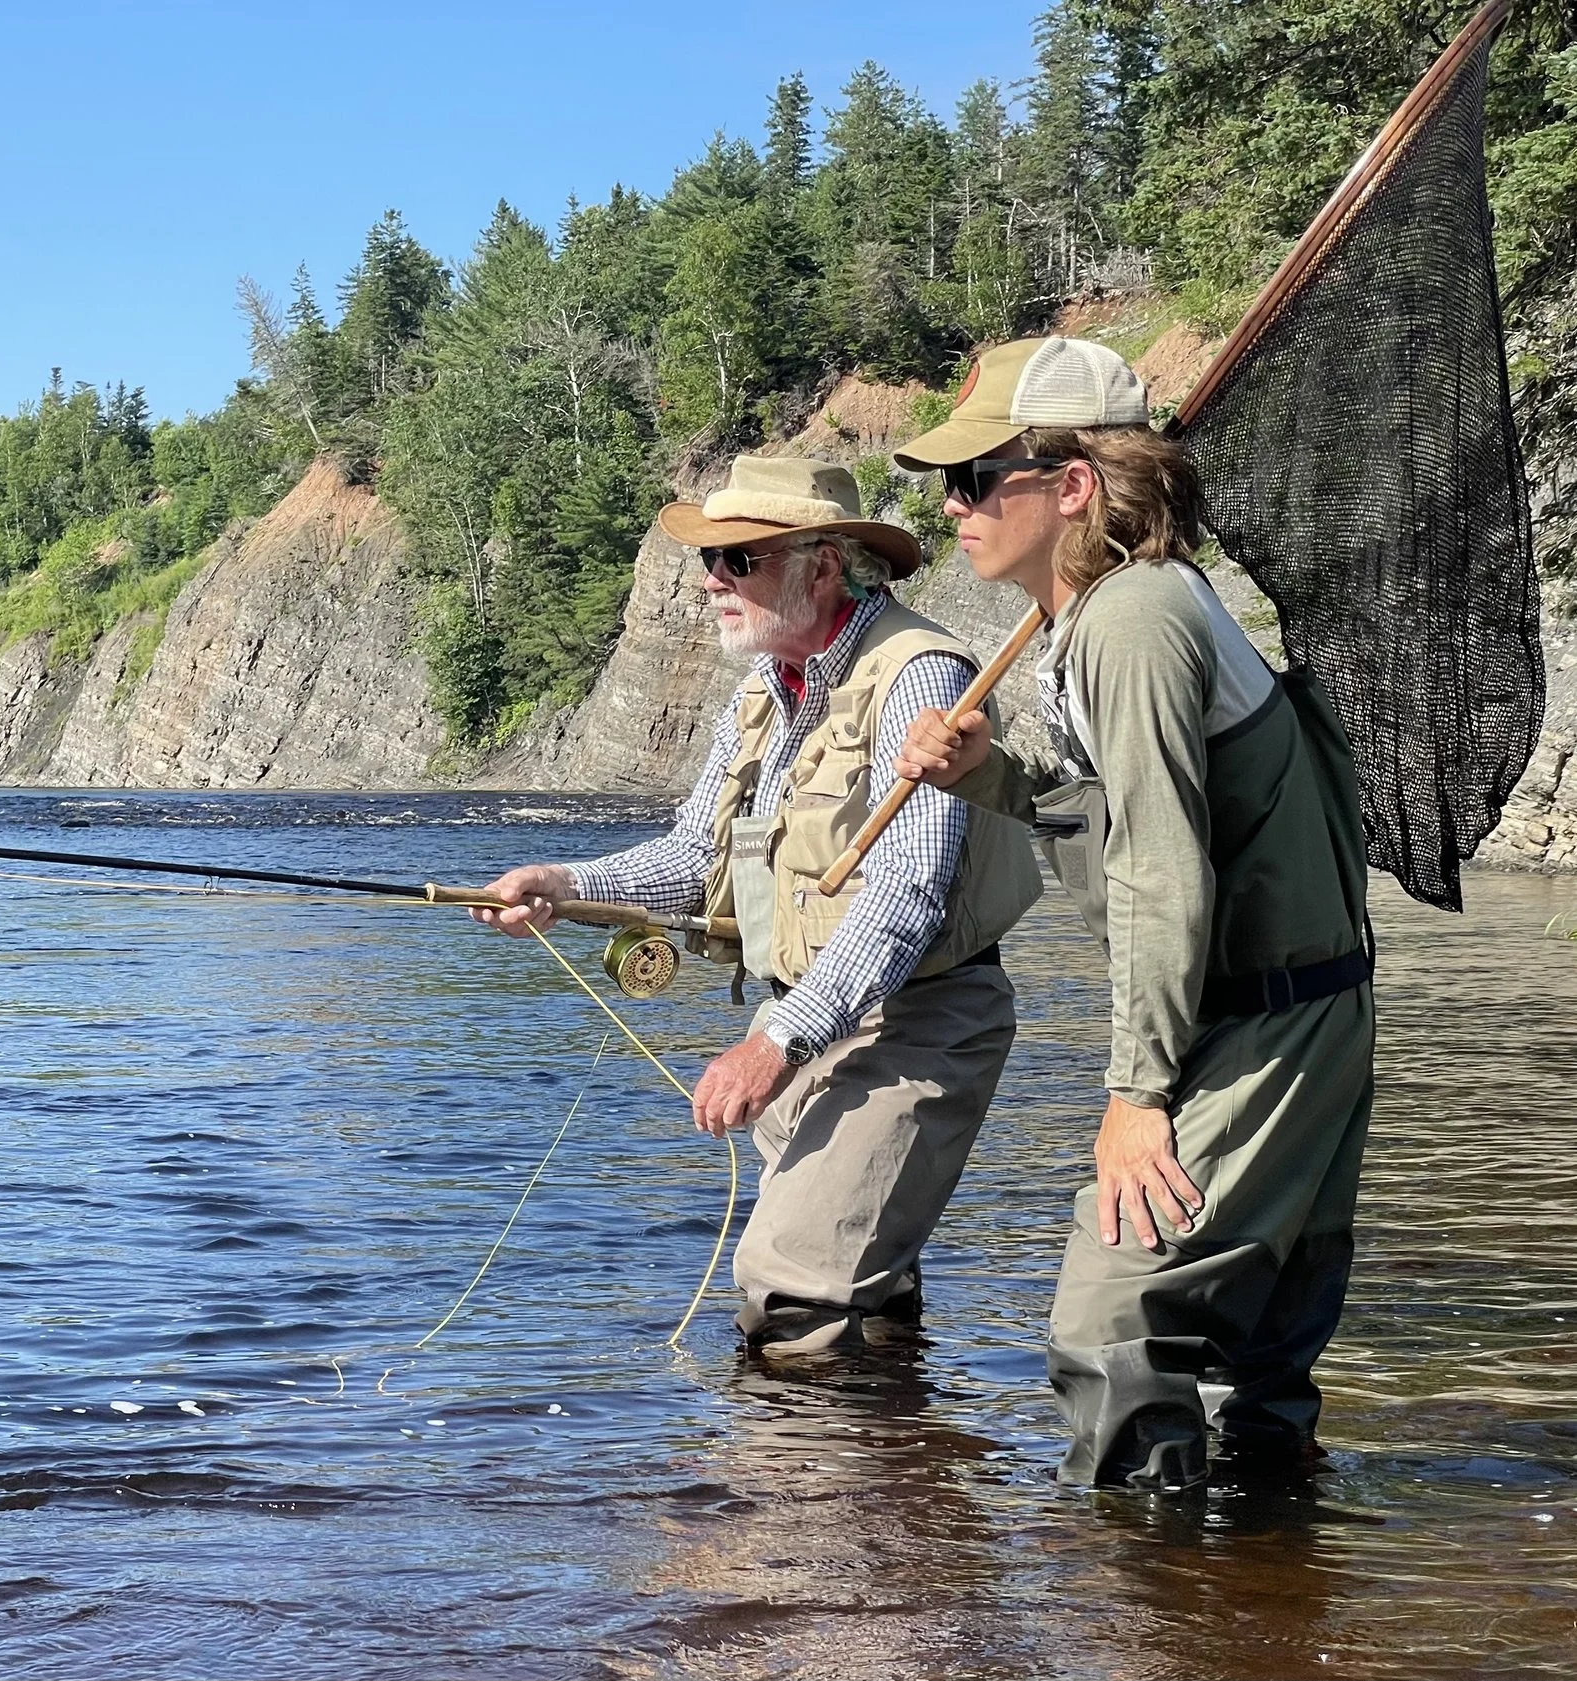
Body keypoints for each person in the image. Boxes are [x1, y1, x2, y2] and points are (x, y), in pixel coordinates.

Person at [889, 336, 1375, 1489]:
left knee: (1111, 1323)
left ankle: (1137, 1617)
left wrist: (1135, 1096)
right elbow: (1126, 813)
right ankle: (1247, 1613)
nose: (951, 505)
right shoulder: (1107, 616)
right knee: (1253, 1371)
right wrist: (991, 776)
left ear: (1070, 488)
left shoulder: (1131, 620)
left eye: (975, 479)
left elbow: (1162, 871)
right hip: (1288, 1005)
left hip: (1262, 1021)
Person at [472, 455, 1041, 1355]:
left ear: (822, 565)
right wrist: (567, 887)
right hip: (809, 1024)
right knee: (868, 1299)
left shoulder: (920, 677)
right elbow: (696, 857)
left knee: (792, 1296)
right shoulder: (762, 694)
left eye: (739, 559)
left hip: (916, 1022)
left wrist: (773, 1042)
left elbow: (906, 895)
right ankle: (897, 1488)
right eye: (713, 559)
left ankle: (775, 1496)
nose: (712, 579)